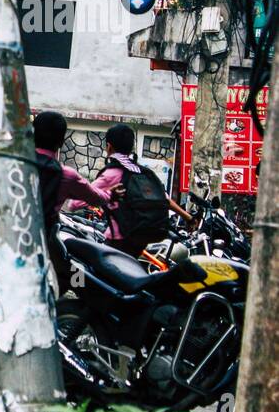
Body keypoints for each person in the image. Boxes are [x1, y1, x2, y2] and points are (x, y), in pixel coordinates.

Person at [85, 124, 192, 257]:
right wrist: (188, 218)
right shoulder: (142, 172)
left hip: (118, 240)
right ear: (131, 148)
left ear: (109, 146)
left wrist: (107, 195)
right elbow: (164, 199)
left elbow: (76, 203)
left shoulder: (111, 173)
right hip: (140, 240)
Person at [34, 111, 115, 287]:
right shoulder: (65, 175)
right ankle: (78, 295)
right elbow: (96, 198)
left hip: (12, 236)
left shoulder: (16, 165)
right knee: (75, 267)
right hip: (45, 239)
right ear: (61, 141)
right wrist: (112, 195)